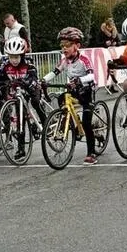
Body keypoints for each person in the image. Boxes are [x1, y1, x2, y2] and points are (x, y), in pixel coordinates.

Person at [56, 26, 98, 164]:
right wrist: (42, 80)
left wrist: (81, 80)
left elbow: (92, 75)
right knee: (61, 98)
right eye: (62, 46)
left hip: (87, 91)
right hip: (74, 90)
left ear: (77, 46)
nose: (64, 49)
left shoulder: (83, 60)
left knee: (86, 122)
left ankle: (91, 153)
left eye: (68, 45)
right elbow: (55, 72)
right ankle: (72, 126)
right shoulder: (65, 60)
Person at [1, 35, 44, 161]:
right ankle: (21, 149)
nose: (13, 60)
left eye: (16, 57)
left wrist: (28, 83)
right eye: (11, 57)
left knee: (36, 102)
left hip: (31, 88)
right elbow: (0, 77)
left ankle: (45, 122)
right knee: (21, 120)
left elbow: (33, 78)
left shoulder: (29, 64)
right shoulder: (5, 65)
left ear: (22, 55)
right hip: (18, 92)